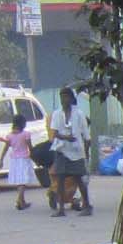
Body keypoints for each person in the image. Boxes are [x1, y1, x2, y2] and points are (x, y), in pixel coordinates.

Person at [49, 87, 92, 216]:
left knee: (79, 179)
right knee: (60, 179)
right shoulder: (57, 114)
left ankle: (87, 206)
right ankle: (61, 209)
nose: (63, 100)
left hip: (76, 151)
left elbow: (86, 135)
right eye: (61, 97)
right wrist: (66, 138)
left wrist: (86, 153)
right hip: (62, 150)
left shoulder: (79, 114)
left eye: (66, 97)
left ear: (71, 98)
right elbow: (55, 133)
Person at [3, 114, 36, 210]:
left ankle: (22, 201)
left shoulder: (9, 136)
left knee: (19, 181)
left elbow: (5, 148)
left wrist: (1, 159)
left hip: (14, 160)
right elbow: (30, 147)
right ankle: (20, 200)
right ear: (22, 124)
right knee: (23, 181)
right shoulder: (26, 134)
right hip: (24, 159)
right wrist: (35, 156)